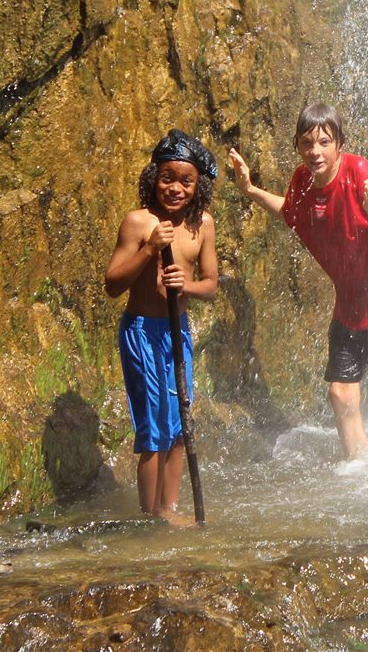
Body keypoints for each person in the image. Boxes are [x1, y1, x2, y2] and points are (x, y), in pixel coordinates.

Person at [227, 103, 368, 459]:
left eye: (324, 142)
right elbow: (290, 212)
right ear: (298, 146)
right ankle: (360, 469)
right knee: (340, 394)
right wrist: (250, 189)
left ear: (339, 144)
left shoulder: (357, 171)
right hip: (351, 303)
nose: (315, 151)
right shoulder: (302, 181)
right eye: (307, 143)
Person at [104, 129, 218, 520]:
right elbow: (112, 284)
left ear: (198, 186)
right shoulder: (138, 222)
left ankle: (169, 510)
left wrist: (185, 285)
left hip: (177, 331)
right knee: (153, 429)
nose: (175, 188)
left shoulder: (202, 224)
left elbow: (211, 285)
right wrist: (150, 248)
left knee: (178, 424)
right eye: (167, 178)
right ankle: (149, 517)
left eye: (186, 181)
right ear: (154, 178)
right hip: (141, 333)